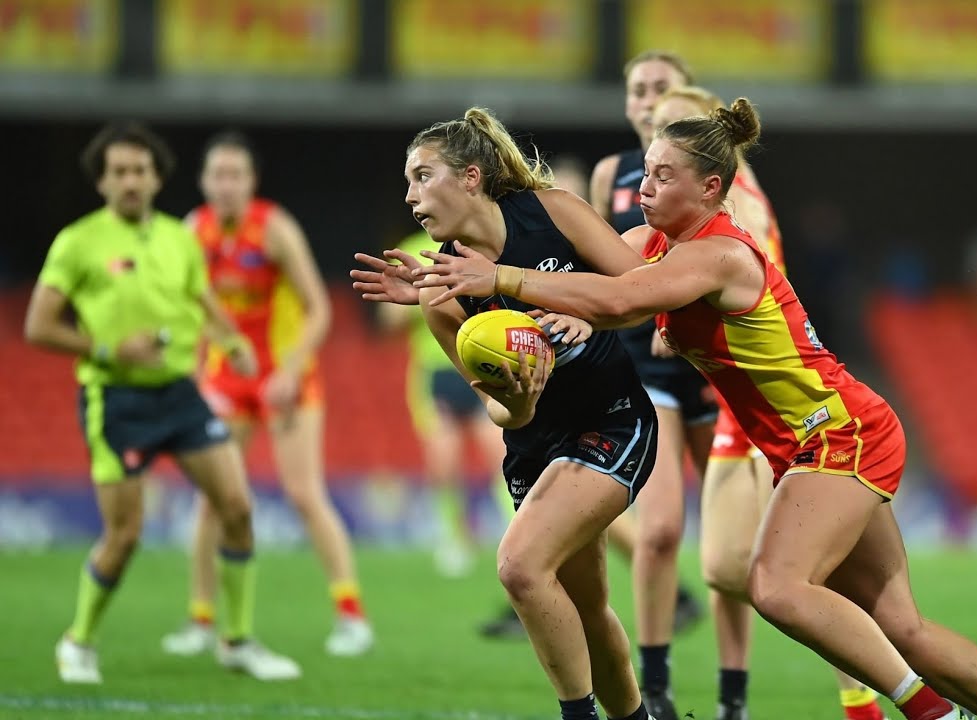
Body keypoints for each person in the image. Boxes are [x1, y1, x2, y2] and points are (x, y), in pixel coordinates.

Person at [413, 99, 977, 720]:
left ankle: (930, 711)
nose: (645, 187)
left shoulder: (720, 253)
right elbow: (597, 285)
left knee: (776, 586)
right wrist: (432, 285)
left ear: (710, 188)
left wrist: (501, 279)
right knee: (903, 630)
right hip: (811, 442)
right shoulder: (657, 245)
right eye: (646, 171)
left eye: (664, 176)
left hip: (838, 430)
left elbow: (620, 300)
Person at [350, 108, 661, 720]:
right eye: (408, 182)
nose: (410, 195)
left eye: (422, 176)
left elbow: (648, 292)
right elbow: (502, 415)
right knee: (587, 609)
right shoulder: (439, 292)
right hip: (536, 446)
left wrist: (588, 314)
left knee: (520, 566)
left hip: (612, 419)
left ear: (471, 177)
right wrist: (520, 396)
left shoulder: (553, 212)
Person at [25, 122, 300, 683]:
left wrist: (231, 341)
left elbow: (202, 298)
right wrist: (109, 348)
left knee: (237, 508)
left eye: (140, 171)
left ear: (156, 179)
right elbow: (38, 326)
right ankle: (78, 641)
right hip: (116, 399)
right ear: (102, 181)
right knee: (124, 536)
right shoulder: (78, 242)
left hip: (179, 395)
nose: (131, 181)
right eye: (119, 172)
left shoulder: (180, 238)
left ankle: (236, 641)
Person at [649, 87, 884, 720]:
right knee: (727, 569)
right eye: (641, 99)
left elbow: (735, 288)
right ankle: (737, 698)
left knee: (785, 575)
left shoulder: (735, 209)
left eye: (664, 108)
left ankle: (862, 701)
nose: (648, 112)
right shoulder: (650, 192)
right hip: (734, 399)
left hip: (778, 403)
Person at [160, 131, 373, 658]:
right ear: (203, 181)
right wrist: (191, 367)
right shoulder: (192, 232)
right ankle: (200, 620)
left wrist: (290, 371)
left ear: (251, 181)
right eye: (217, 174)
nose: (226, 185)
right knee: (213, 501)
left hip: (285, 375)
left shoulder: (275, 229)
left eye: (236, 175)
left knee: (304, 494)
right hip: (227, 378)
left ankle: (351, 616)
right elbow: (186, 309)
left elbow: (320, 308)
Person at [589, 50, 709, 716]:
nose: (648, 100)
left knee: (736, 554)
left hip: (715, 368)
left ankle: (734, 691)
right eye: (638, 89)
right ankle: (656, 688)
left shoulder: (719, 175)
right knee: (659, 531)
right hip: (645, 365)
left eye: (662, 89)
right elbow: (595, 266)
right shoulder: (611, 174)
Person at [379, 230, 506, 579]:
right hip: (436, 370)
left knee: (500, 454)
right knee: (443, 462)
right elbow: (388, 320)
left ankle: (512, 528)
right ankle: (454, 538)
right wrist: (424, 292)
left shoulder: (479, 244)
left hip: (480, 362)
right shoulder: (409, 250)